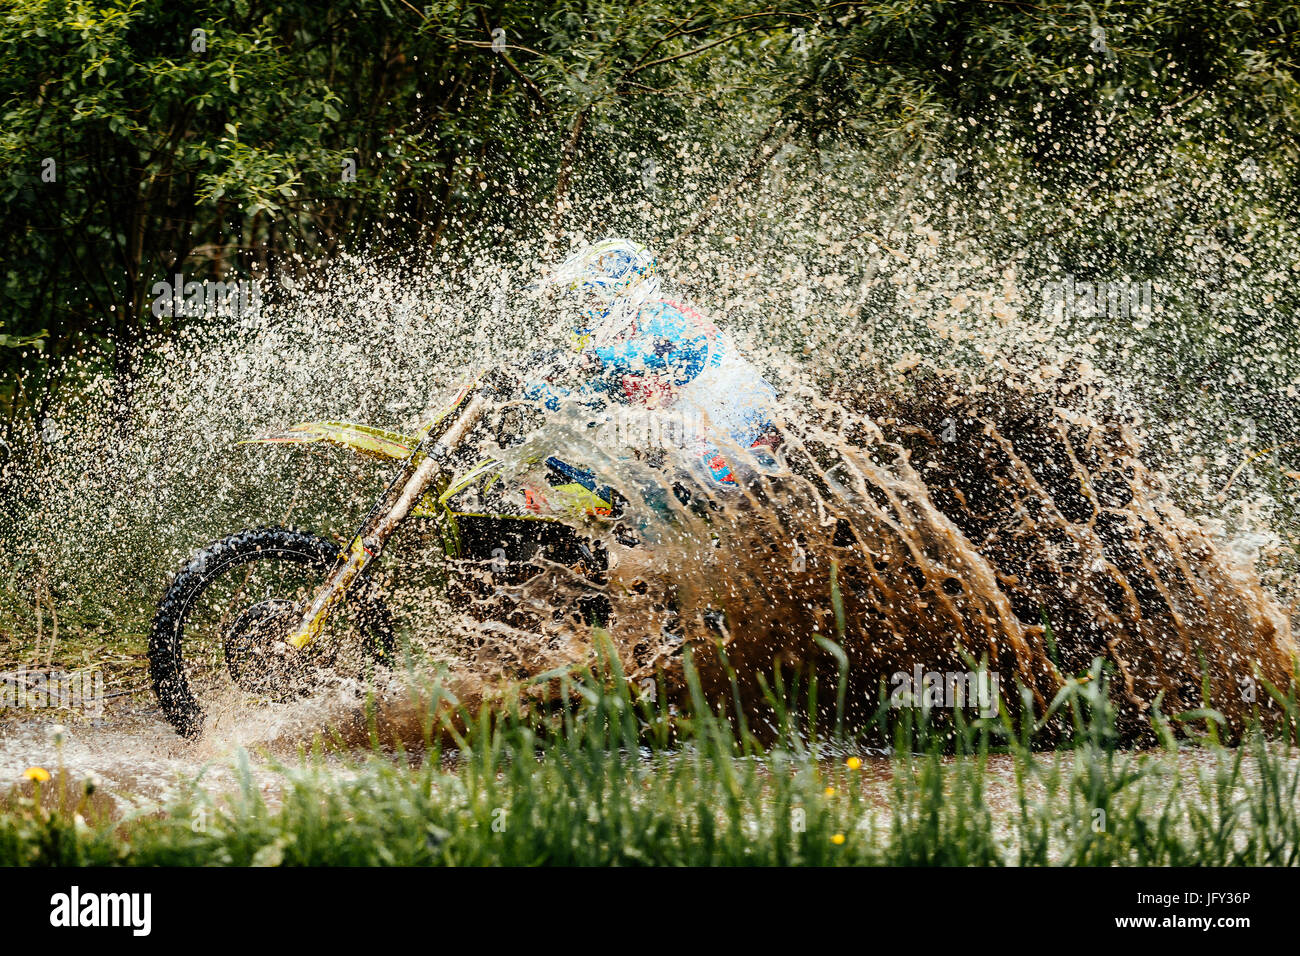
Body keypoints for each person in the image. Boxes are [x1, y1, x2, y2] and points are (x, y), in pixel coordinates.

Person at [519, 237, 779, 517]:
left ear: (621, 294)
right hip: (705, 478)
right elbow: (580, 406)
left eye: (591, 299)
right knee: (574, 454)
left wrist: (586, 360)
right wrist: (524, 388)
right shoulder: (619, 348)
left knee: (617, 464)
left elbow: (669, 350)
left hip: (749, 454)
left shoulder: (663, 316)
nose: (583, 313)